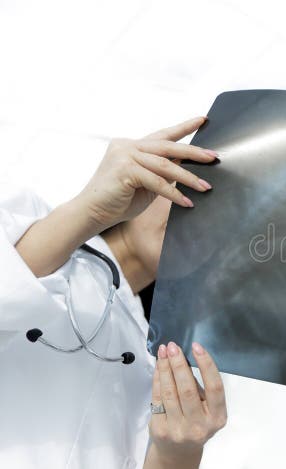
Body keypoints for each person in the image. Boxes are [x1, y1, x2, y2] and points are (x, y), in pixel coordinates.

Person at [0, 117, 228, 468]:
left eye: (223, 218)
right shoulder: (22, 219)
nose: (197, 219)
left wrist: (177, 453)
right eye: (190, 186)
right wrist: (90, 209)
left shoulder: (161, 364)